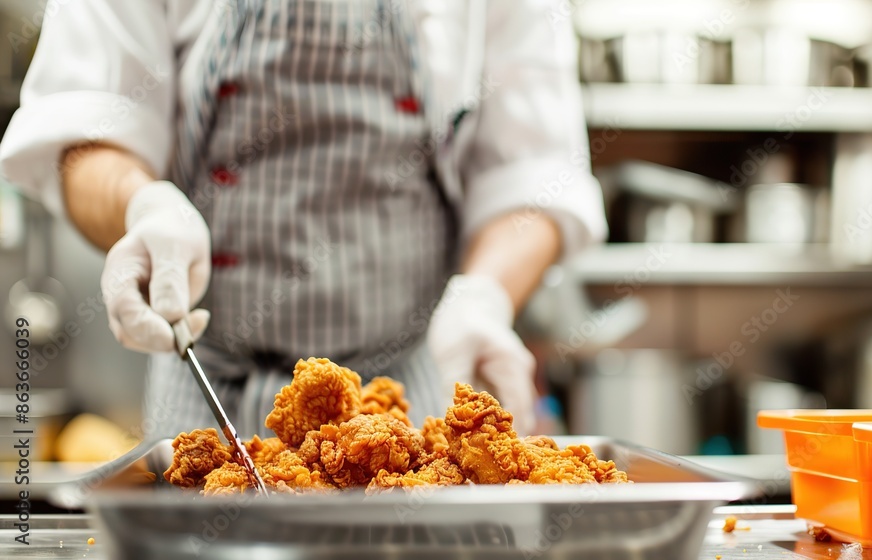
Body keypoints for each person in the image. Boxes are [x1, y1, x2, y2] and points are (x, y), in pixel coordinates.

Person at [0, 0, 606, 438]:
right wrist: (142, 206)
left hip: (408, 408)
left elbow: (534, 170)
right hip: (208, 403)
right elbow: (85, 125)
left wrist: (483, 298)